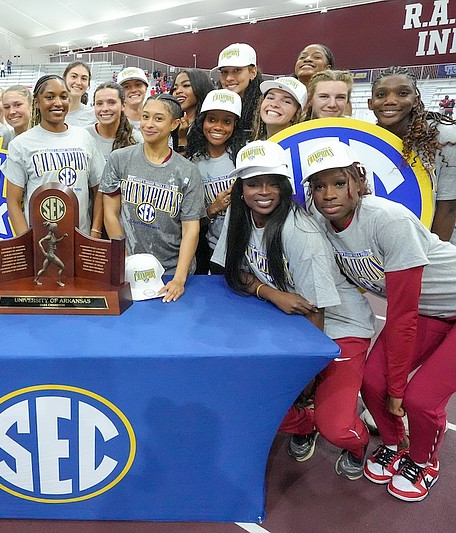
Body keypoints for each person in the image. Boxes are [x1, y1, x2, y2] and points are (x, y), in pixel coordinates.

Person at [212, 140, 376, 480]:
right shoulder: (239, 214)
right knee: (253, 399)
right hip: (289, 322)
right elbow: (235, 271)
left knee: (337, 428)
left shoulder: (301, 232)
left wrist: (306, 379)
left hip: (336, 328)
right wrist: (270, 293)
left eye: (273, 182)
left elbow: (315, 311)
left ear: (285, 186)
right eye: (254, 183)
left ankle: (358, 444)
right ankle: (305, 426)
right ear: (241, 188)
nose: (263, 191)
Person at [303, 139, 456, 500]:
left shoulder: (388, 220)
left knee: (420, 399)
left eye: (339, 183)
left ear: (359, 182)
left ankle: (423, 460)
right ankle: (394, 444)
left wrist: (398, 389)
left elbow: (402, 315)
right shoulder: (320, 225)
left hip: (424, 307)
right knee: (372, 383)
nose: (329, 194)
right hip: (429, 310)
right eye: (319, 186)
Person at [101, 94, 204, 301]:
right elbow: (110, 214)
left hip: (171, 271)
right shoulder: (119, 159)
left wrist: (179, 279)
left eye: (158, 119)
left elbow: (191, 229)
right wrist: (126, 260)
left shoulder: (188, 171)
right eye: (145, 116)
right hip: (130, 266)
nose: (149, 124)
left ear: (174, 124)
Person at [3, 75, 105, 236]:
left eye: (63, 97)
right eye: (50, 97)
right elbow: (13, 201)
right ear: (37, 102)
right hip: (40, 241)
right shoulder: (20, 144)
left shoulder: (84, 138)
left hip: (81, 239)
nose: (58, 103)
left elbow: (99, 189)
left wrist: (95, 232)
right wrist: (27, 241)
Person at [369, 67, 456, 242]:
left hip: (436, 243)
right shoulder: (369, 139)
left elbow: (448, 208)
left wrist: (430, 253)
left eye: (402, 93)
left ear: (416, 100)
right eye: (381, 95)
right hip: (392, 241)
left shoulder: (445, 137)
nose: (390, 101)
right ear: (370, 103)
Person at [186, 90, 247, 275]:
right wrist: (214, 207)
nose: (218, 127)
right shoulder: (193, 163)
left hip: (246, 247)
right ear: (202, 122)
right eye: (212, 119)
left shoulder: (244, 156)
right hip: (213, 248)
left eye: (227, 121)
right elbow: (192, 218)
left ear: (235, 125)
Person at [213, 43, 263, 140]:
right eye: (224, 72)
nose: (229, 78)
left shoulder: (263, 109)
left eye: (237, 70)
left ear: (253, 73)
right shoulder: (213, 104)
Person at [85, 81, 142, 160]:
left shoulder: (136, 139)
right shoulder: (84, 135)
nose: (105, 108)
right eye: (99, 104)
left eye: (111, 103)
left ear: (123, 105)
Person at [171, 68, 215, 154]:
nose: (178, 91)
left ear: (201, 88)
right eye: (175, 88)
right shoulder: (173, 123)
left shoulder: (211, 124)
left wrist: (182, 139)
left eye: (186, 85)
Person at [63, 61, 96, 127]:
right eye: (74, 76)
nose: (78, 82)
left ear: (88, 84)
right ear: (64, 79)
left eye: (84, 79)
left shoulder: (94, 116)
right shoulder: (51, 113)